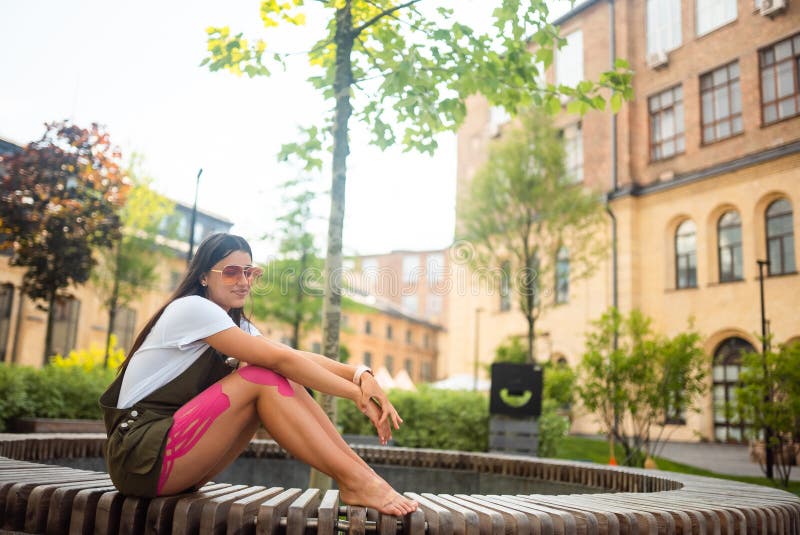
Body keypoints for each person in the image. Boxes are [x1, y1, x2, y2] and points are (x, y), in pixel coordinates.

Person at [99, 233, 418, 516]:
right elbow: (279, 359)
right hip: (138, 457)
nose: (244, 280)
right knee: (262, 375)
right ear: (204, 277)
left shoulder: (235, 327)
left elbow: (294, 357)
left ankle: (363, 480)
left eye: (250, 272)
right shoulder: (191, 309)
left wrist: (359, 374)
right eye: (231, 272)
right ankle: (358, 482)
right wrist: (355, 394)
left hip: (172, 458)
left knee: (278, 373)